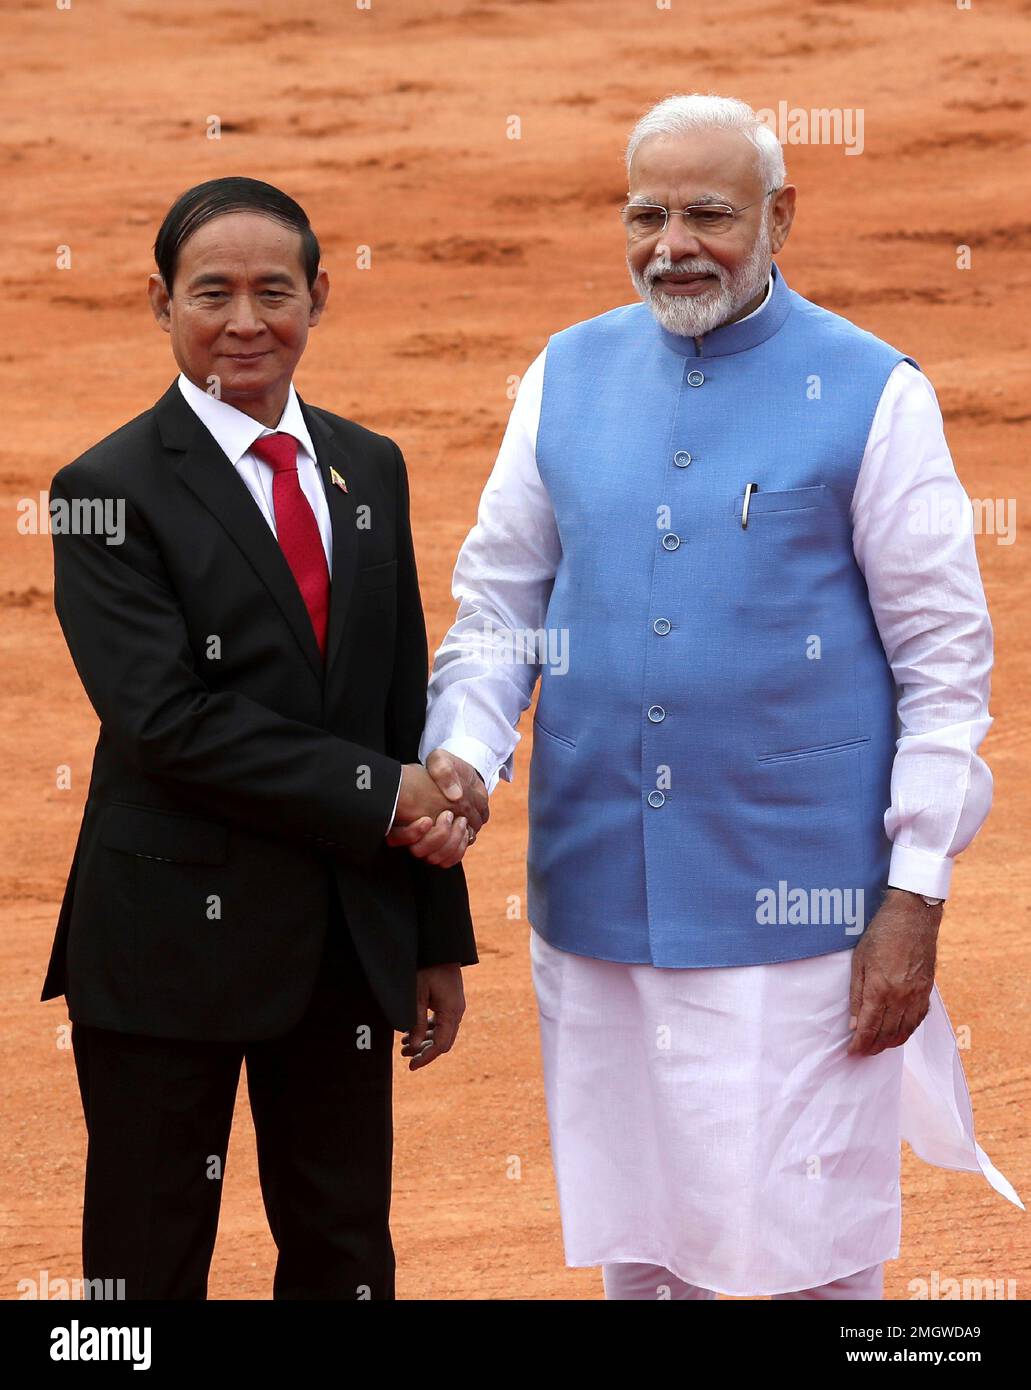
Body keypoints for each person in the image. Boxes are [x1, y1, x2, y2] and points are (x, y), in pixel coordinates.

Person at [404, 95, 1023, 1300]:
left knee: (800, 1243)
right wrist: (466, 753)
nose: (670, 245)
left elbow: (946, 669)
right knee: (640, 1234)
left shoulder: (874, 390)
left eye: (708, 214)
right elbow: (497, 606)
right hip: (593, 896)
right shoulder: (564, 372)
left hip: (798, 910)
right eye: (646, 213)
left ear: (779, 217)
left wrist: (913, 896)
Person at [41, 176, 486, 1300]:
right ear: (161, 304)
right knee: (139, 1269)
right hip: (163, 949)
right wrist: (384, 793)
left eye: (272, 291)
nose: (246, 321)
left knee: (344, 1253)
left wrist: (432, 931)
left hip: (342, 938)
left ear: (319, 297)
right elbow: (165, 721)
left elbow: (398, 702)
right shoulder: (100, 490)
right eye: (212, 293)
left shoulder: (368, 463)